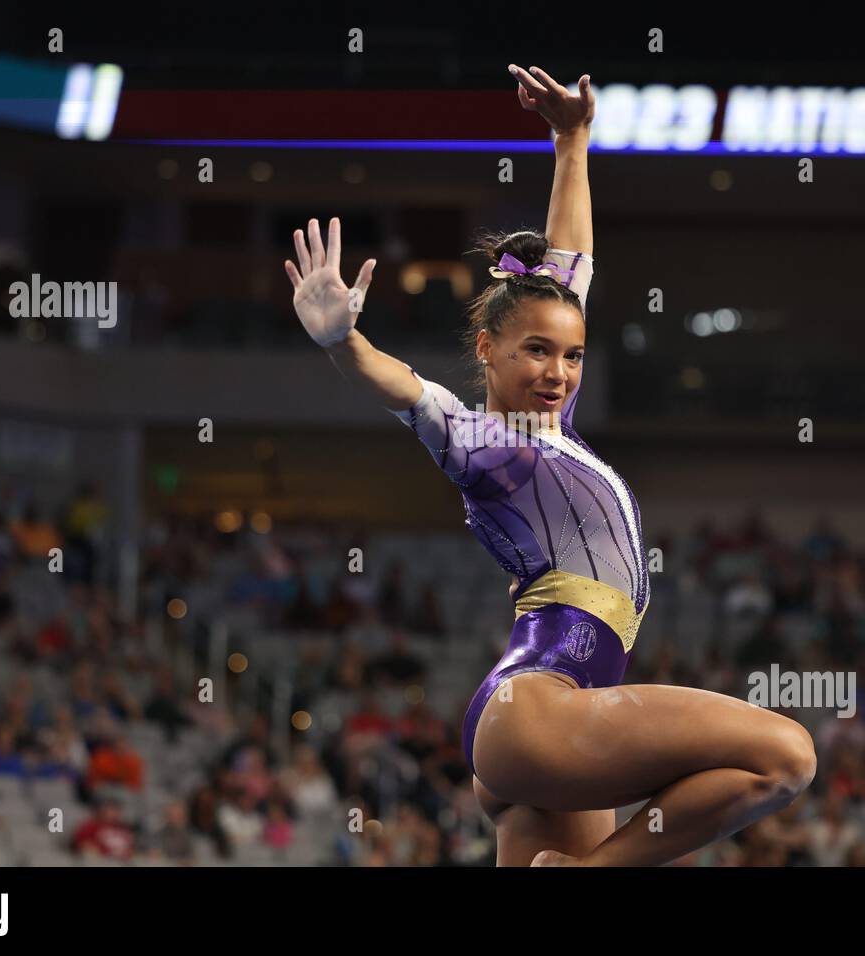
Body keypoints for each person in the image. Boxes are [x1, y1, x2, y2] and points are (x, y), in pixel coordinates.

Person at [283, 63, 815, 867]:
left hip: (549, 725)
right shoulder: (488, 446)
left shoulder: (551, 429)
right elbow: (411, 394)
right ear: (488, 350)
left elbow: (570, 264)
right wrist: (344, 342)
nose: (558, 370)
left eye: (571, 355)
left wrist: (572, 142)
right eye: (536, 351)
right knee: (787, 756)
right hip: (539, 715)